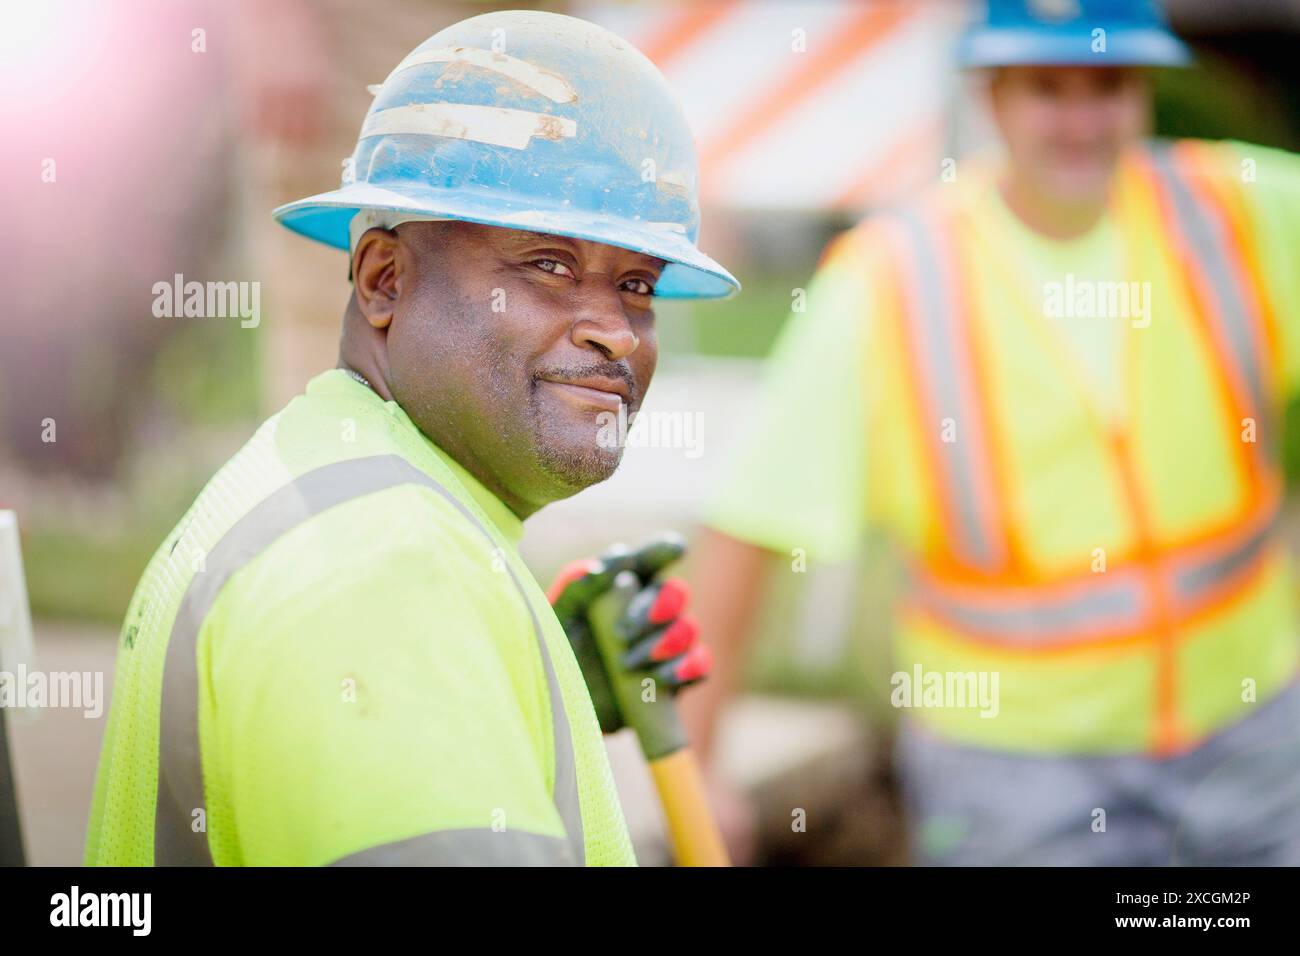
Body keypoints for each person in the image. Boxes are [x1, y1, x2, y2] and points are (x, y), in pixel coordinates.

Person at [84, 9, 735, 867]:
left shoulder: (335, 483)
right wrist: (432, 662)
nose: (614, 331)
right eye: (547, 265)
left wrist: (521, 688)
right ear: (385, 279)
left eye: (638, 283)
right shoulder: (380, 576)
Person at [686, 0, 1300, 865]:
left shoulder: (1238, 210)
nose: (1083, 120)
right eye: (1049, 89)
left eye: (1109, 86)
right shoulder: (894, 277)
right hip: (1015, 771)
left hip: (1250, 735)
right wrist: (698, 766)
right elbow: (750, 523)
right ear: (994, 95)